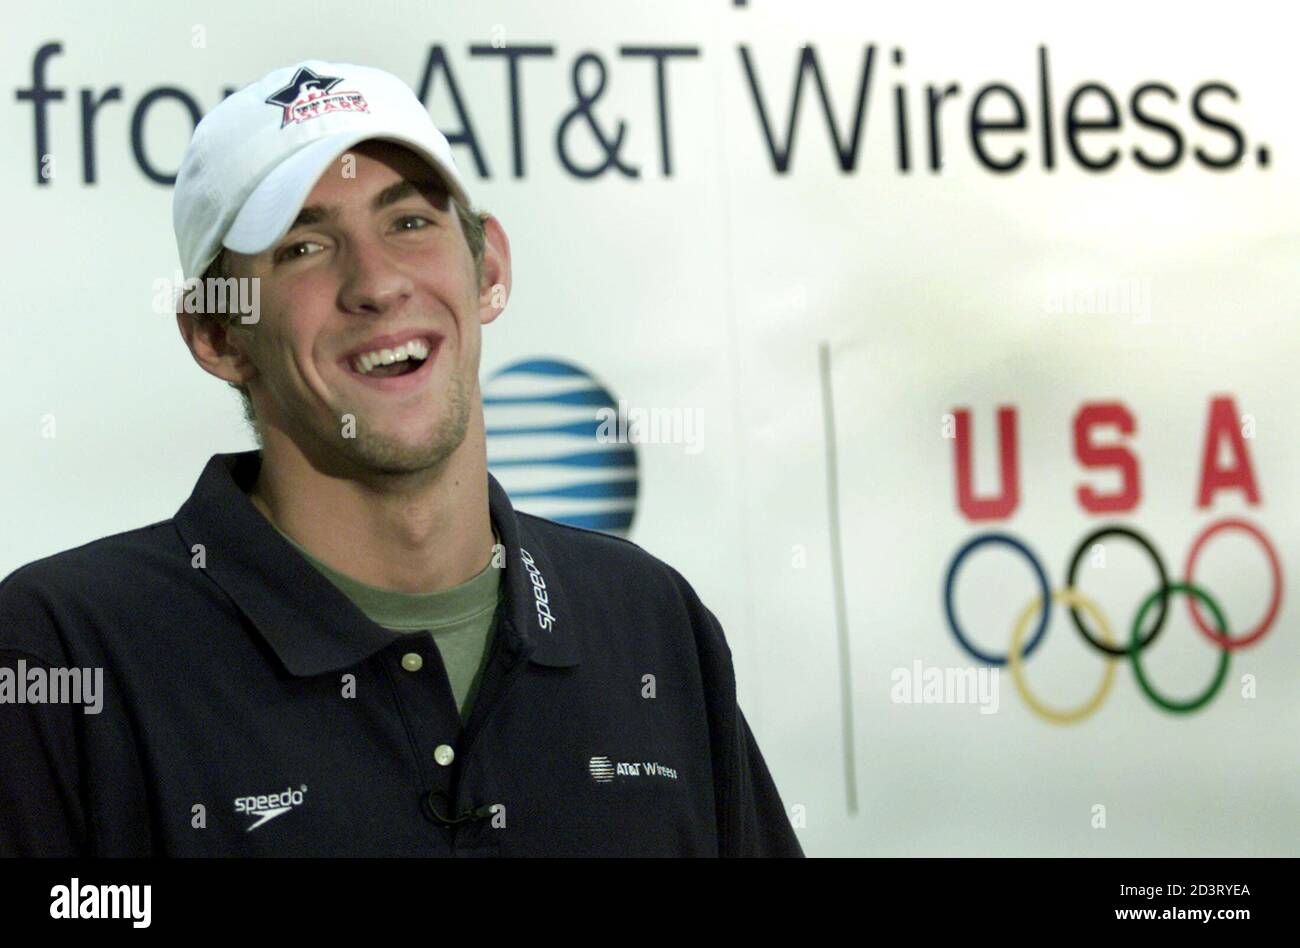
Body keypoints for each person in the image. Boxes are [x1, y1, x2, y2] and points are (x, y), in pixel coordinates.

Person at [0, 59, 803, 857]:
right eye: (304, 246)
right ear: (216, 333)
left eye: (410, 223)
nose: (378, 284)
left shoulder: (649, 618)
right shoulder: (66, 649)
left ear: (488, 268)